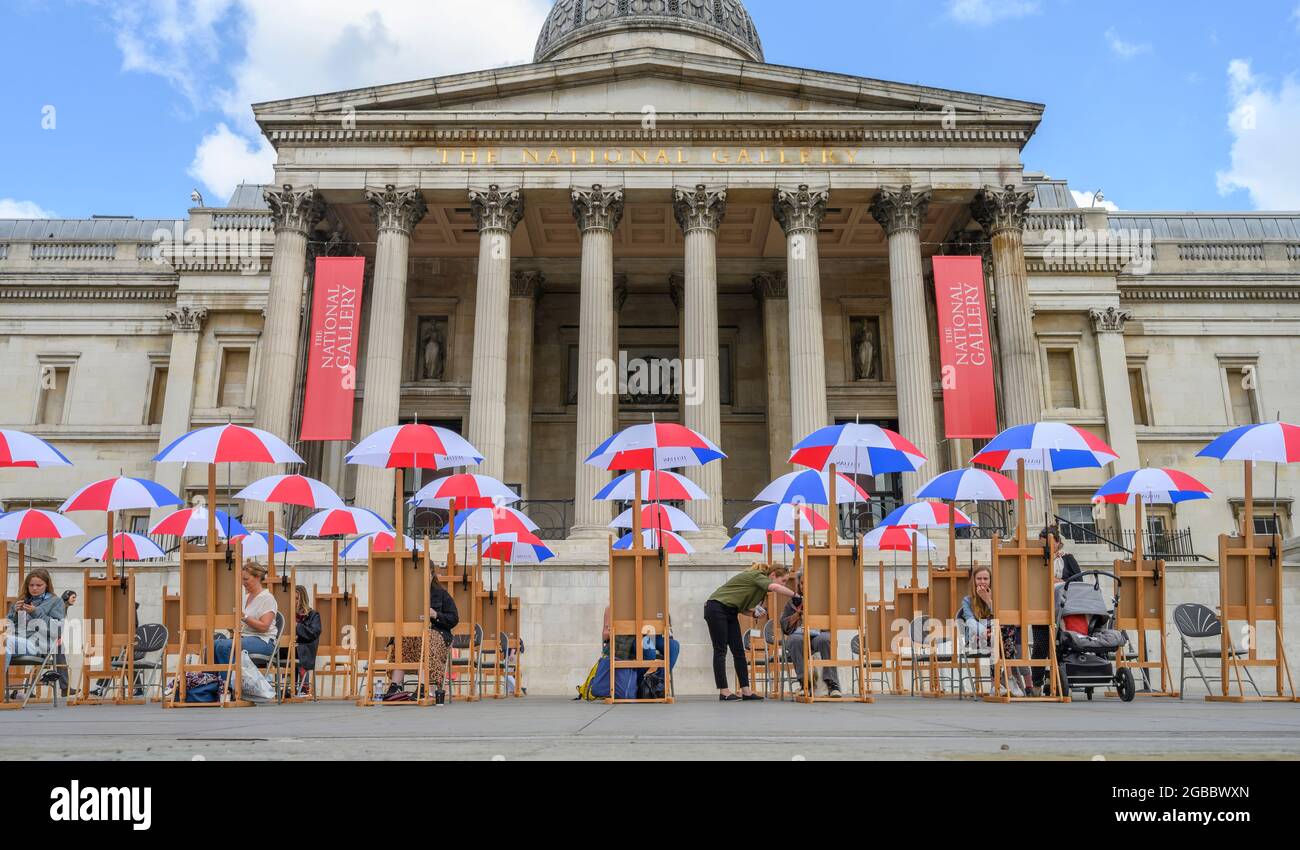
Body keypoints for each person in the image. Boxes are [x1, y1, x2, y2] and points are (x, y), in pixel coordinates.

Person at [705, 563, 798, 701]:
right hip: (716, 607)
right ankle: (724, 691)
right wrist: (796, 595)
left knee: (738, 651)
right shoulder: (758, 576)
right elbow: (774, 587)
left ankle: (746, 691)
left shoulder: (760, 589)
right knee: (720, 649)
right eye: (783, 580)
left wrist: (753, 614)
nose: (783, 585)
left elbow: (739, 606)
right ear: (772, 575)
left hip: (730, 611)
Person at [958, 565, 1030, 697]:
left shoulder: (997, 597)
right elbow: (970, 622)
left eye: (985, 578)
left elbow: (1000, 618)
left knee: (1002, 630)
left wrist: (988, 601)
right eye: (979, 578)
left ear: (991, 580)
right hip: (977, 638)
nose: (982, 582)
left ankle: (996, 683)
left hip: (997, 636)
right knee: (1002, 633)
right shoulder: (967, 600)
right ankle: (1009, 680)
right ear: (974, 580)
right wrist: (984, 631)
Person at [386, 573, 458, 702]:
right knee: (402, 639)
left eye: (426, 574)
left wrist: (436, 614)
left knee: (428, 638)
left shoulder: (441, 594)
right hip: (414, 634)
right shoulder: (408, 594)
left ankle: (423, 686)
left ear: (432, 575)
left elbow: (454, 619)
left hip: (436, 633)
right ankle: (395, 686)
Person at [4, 570, 67, 697]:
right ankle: (4, 691)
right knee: (4, 641)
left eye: (39, 585)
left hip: (38, 646)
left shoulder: (56, 601)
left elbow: (57, 630)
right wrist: (14, 614)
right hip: (18, 642)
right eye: (31, 585)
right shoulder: (22, 600)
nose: (34, 588)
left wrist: (35, 612)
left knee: (5, 641)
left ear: (46, 585)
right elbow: (7, 626)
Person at [212, 563, 278, 674]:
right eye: (242, 579)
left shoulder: (267, 598)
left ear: (257, 577)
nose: (243, 583)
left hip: (263, 641)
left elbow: (264, 627)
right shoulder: (246, 597)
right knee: (212, 645)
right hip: (246, 637)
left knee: (223, 646)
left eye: (246, 579)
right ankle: (209, 683)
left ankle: (229, 684)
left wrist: (244, 617)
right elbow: (244, 623)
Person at [779, 582, 841, 698]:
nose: (803, 586)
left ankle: (832, 684)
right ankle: (804, 682)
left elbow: (832, 622)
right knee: (794, 641)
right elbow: (784, 626)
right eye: (801, 583)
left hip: (819, 633)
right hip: (799, 634)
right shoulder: (792, 603)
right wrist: (797, 614)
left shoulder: (823, 601)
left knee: (826, 639)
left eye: (806, 583)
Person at [602, 606, 680, 692]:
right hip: (631, 637)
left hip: (654, 634)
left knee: (673, 646)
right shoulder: (615, 605)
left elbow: (667, 628)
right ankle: (640, 684)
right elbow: (606, 635)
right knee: (649, 649)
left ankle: (658, 685)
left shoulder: (656, 601)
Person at [292, 586, 321, 697]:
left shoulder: (312, 615)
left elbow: (314, 632)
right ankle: (288, 687)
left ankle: (304, 688)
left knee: (298, 653)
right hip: (290, 648)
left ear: (302, 599)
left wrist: (297, 626)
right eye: (292, 598)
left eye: (296, 598)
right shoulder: (288, 614)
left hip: (305, 647)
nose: (294, 602)